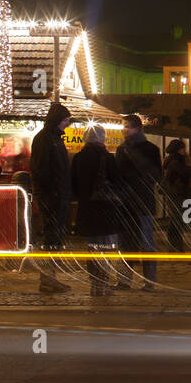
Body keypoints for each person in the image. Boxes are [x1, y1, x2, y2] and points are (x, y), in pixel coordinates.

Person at [70, 125, 121, 296]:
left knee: (92, 247)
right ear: (101, 138)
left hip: (87, 208)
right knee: (106, 247)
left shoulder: (78, 158)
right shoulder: (107, 157)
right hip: (106, 208)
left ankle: (94, 284)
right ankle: (103, 283)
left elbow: (73, 185)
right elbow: (117, 182)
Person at [29, 101, 73, 293]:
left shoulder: (54, 137)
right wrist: (52, 191)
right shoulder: (45, 139)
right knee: (51, 237)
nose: (66, 124)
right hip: (51, 195)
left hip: (57, 194)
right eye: (65, 120)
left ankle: (51, 277)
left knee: (55, 238)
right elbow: (41, 168)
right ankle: (47, 278)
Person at [114, 113, 162, 288]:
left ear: (137, 128)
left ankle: (149, 281)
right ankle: (124, 280)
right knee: (125, 242)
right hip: (126, 203)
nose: (124, 130)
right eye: (123, 126)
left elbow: (156, 176)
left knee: (146, 241)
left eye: (127, 126)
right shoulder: (121, 149)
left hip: (142, 202)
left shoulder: (149, 149)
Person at [160, 139, 191, 252]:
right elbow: (185, 173)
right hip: (176, 193)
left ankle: (175, 244)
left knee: (176, 219)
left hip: (174, 193)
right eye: (183, 148)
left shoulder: (172, 159)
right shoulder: (175, 161)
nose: (184, 150)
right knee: (176, 220)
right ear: (178, 149)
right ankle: (175, 245)